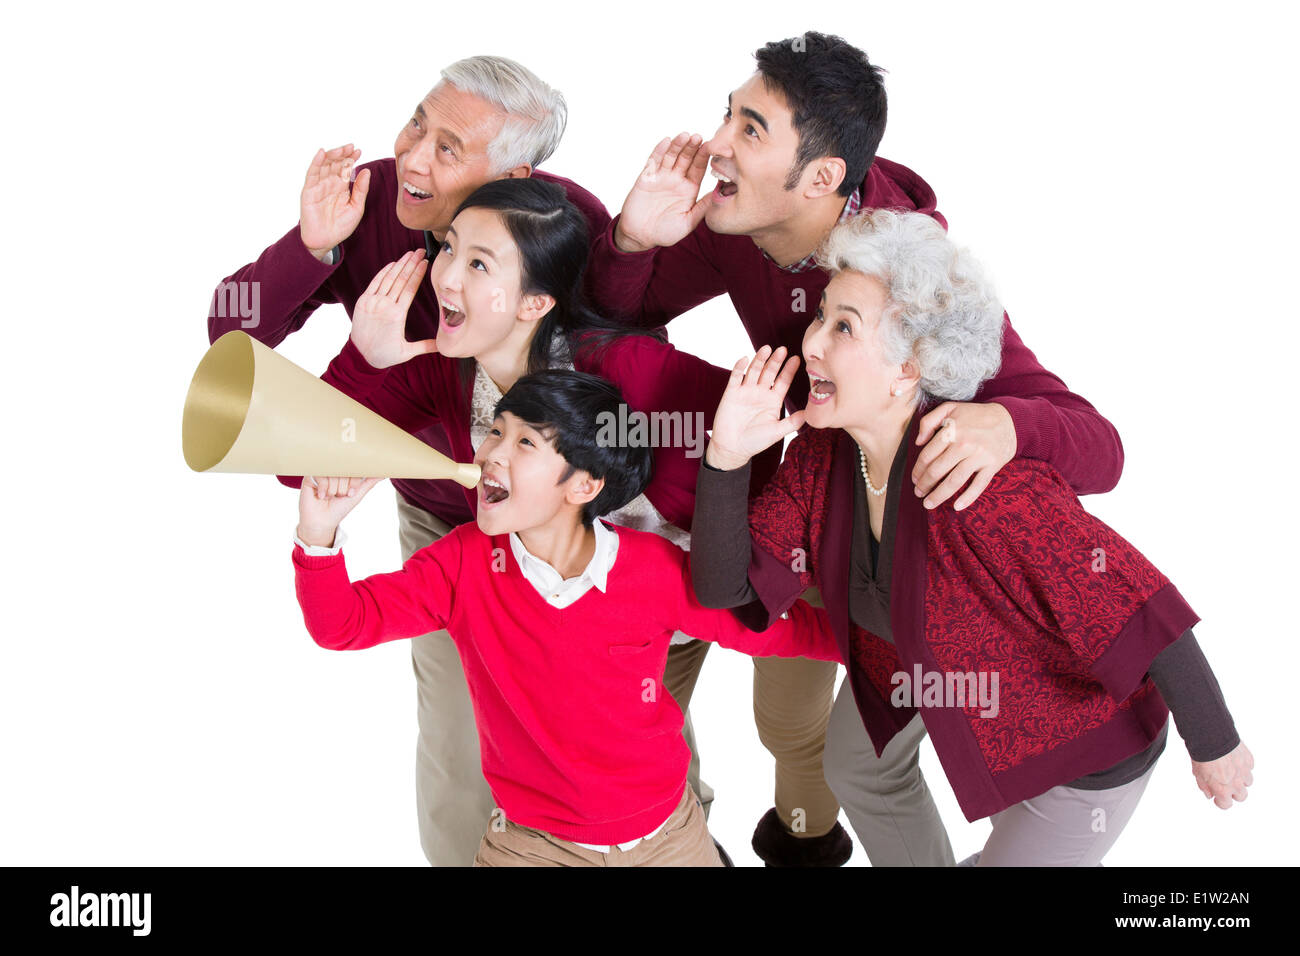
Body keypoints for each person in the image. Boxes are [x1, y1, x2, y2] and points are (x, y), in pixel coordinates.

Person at [586, 30, 1124, 866]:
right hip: (795, 510)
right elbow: (622, 309)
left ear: (823, 179)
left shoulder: (909, 274)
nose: (717, 145)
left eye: (751, 130)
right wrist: (630, 238)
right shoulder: (739, 224)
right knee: (806, 734)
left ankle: (811, 836)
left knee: (824, 732)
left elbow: (1102, 449)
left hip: (910, 565)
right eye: (727, 115)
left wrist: (1011, 424)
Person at [691, 209, 1253, 865]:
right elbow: (726, 589)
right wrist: (725, 458)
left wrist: (1215, 743)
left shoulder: (989, 488)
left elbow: (1147, 612)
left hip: (1083, 746)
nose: (810, 342)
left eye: (843, 327)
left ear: (911, 367)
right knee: (855, 765)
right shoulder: (822, 453)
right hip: (931, 671)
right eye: (821, 315)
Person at [289, 176, 776, 863]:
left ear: (537, 302)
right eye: (448, 248)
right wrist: (364, 358)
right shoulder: (445, 369)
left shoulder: (627, 369)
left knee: (633, 761)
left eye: (478, 263)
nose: (446, 276)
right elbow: (298, 462)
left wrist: (709, 557)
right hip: (532, 596)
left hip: (658, 594)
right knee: (541, 761)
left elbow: (752, 430)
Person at [207, 56, 609, 866]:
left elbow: (625, 379)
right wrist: (312, 249)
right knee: (461, 737)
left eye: (450, 147)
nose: (414, 158)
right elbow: (231, 328)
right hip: (442, 516)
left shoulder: (571, 229)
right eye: (417, 122)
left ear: (515, 176)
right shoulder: (372, 199)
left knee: (611, 728)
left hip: (568, 522)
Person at [291, 370, 841, 866]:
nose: (493, 454)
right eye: (496, 432)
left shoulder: (651, 567)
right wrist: (318, 535)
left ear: (584, 485)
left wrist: (869, 647)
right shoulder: (461, 565)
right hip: (532, 847)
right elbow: (343, 624)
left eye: (525, 442)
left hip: (668, 836)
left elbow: (764, 633)